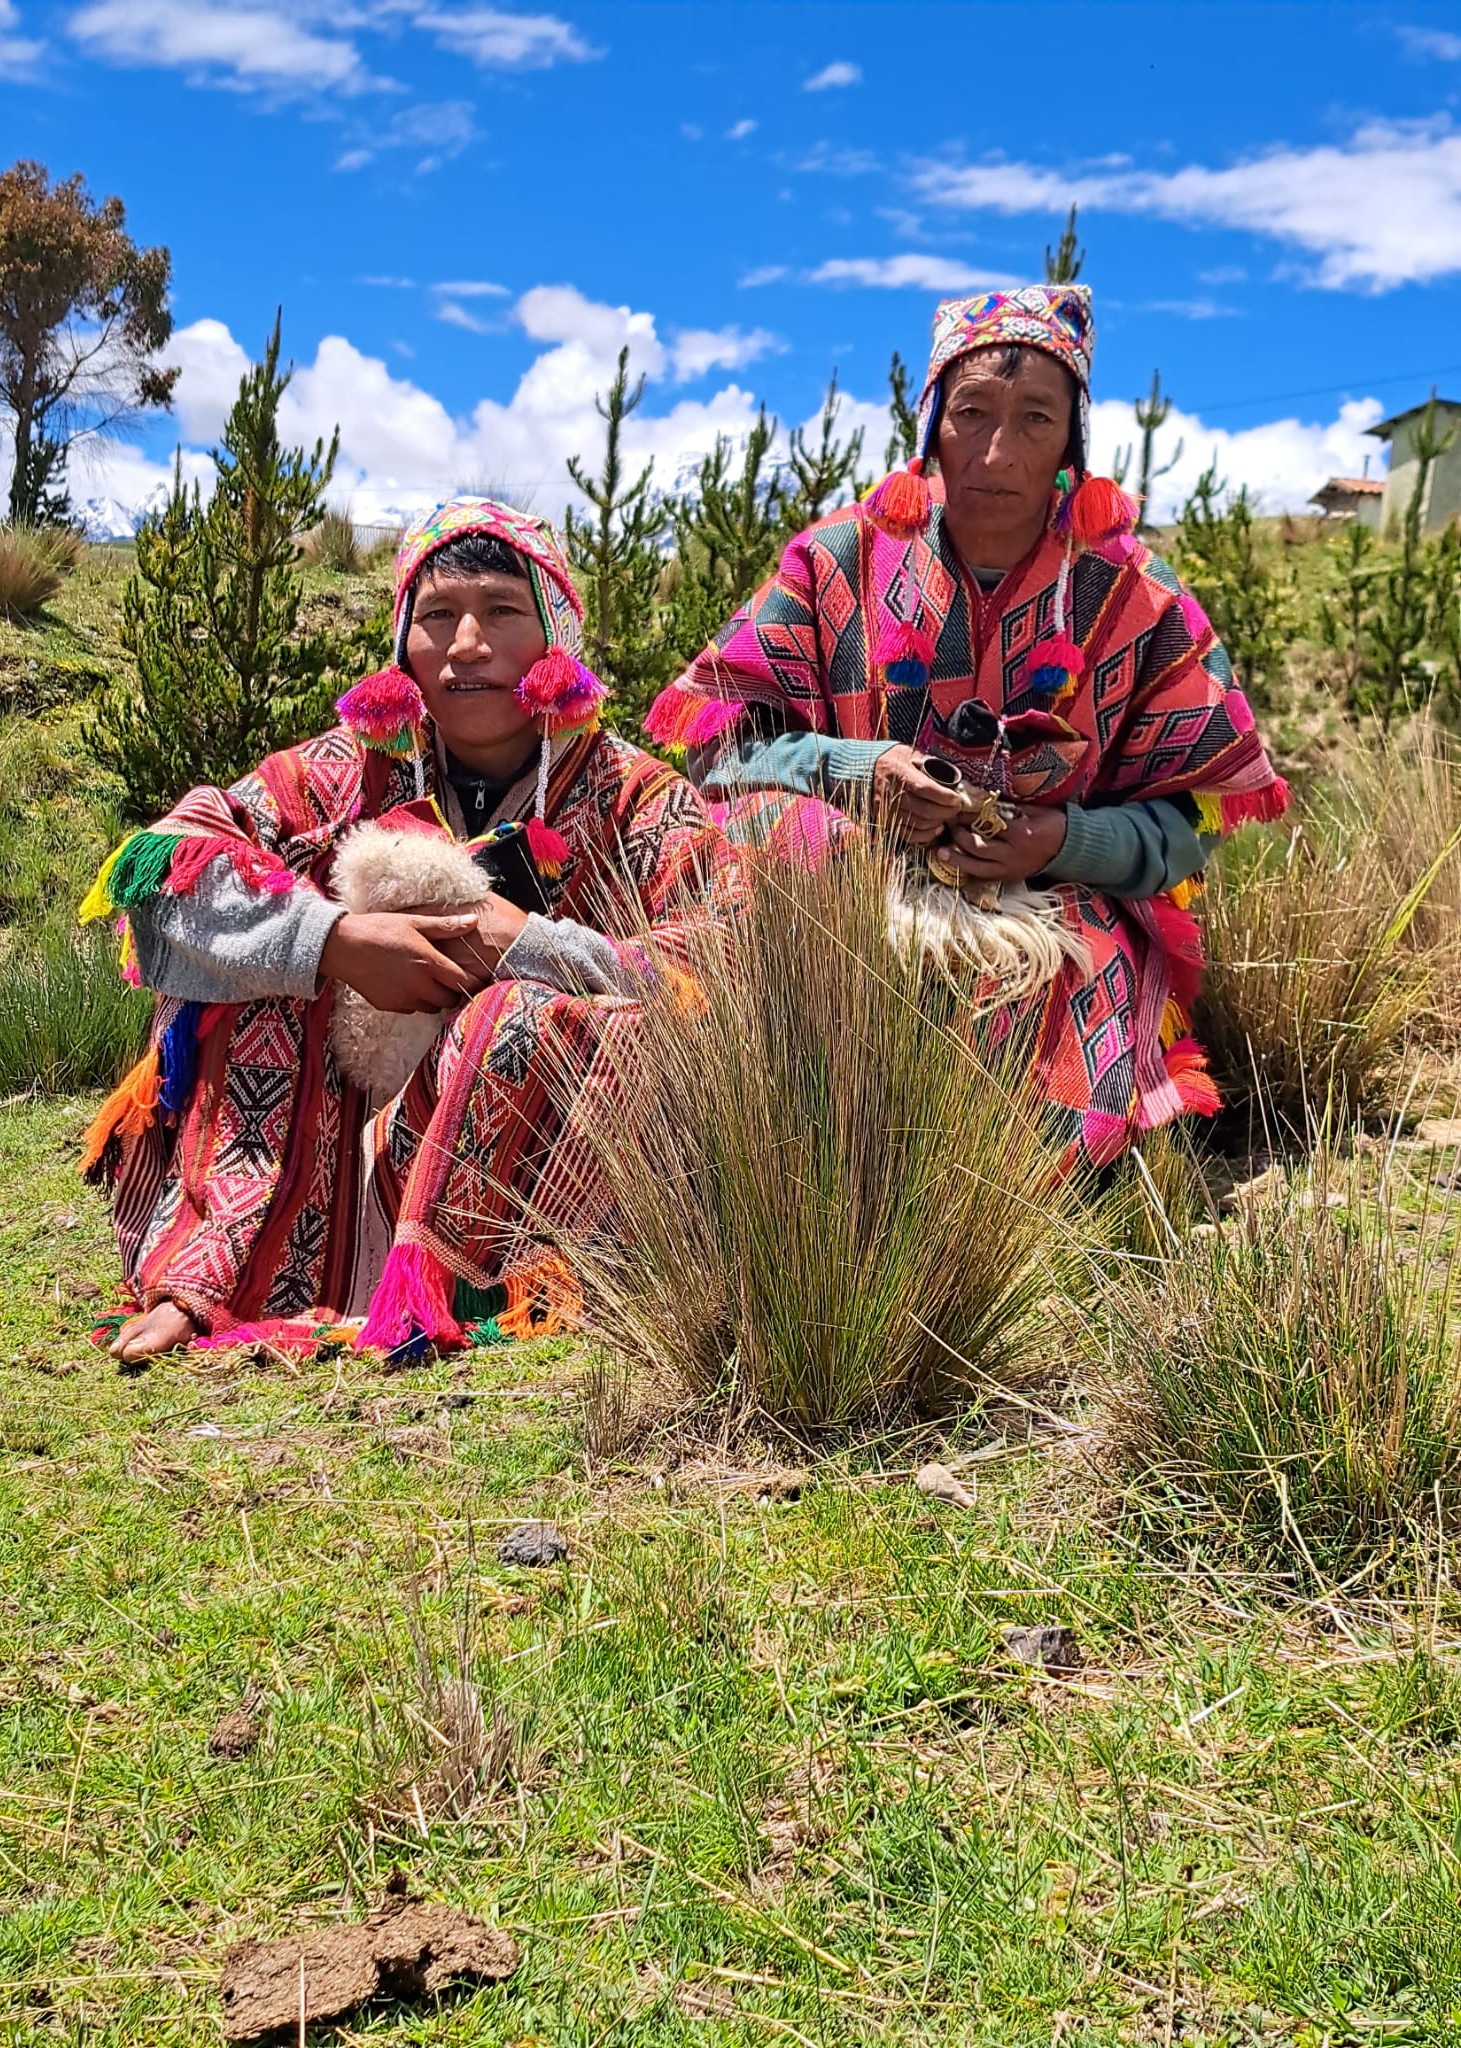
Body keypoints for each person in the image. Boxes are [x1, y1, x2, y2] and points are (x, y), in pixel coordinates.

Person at [646, 285, 1287, 1166]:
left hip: (1051, 899)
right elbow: (718, 749)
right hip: (845, 879)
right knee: (771, 852)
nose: (996, 451)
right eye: (972, 411)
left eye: (1035, 418)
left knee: (1066, 972)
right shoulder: (835, 563)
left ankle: (1010, 1206)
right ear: (930, 423)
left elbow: (1187, 828)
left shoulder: (1139, 596)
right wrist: (857, 772)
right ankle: (768, 1165)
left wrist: (1057, 839)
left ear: (1074, 439)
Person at [82, 497, 732, 1363]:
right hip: (340, 1143)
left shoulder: (639, 799)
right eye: (437, 616)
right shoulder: (336, 777)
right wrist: (331, 944)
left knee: (524, 1022)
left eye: (503, 611)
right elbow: (164, 870)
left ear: (556, 642)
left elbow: (718, 961)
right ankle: (226, 1279)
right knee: (270, 976)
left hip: (541, 1169)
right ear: (402, 649)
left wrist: (527, 949)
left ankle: (492, 1284)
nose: (467, 644)